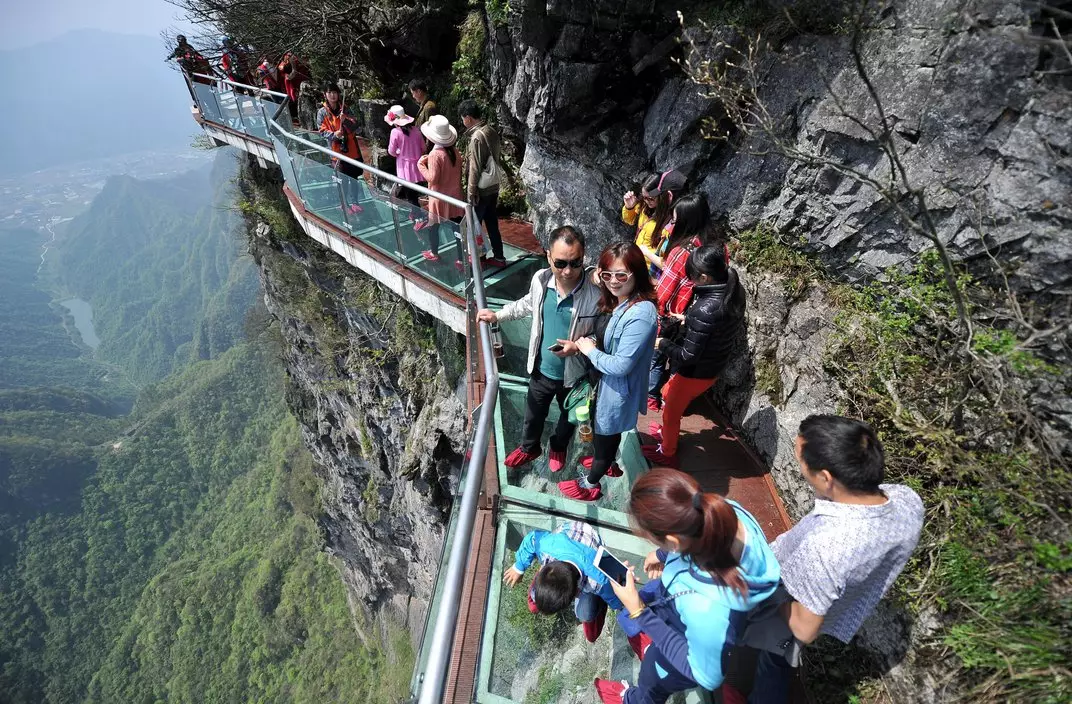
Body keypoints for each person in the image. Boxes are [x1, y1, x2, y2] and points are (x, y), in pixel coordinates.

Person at [744, 415, 924, 704]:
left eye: (800, 460)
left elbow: (804, 627)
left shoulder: (826, 548)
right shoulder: (907, 500)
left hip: (793, 596)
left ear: (826, 478)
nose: (799, 466)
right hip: (837, 594)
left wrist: (765, 601)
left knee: (775, 657)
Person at [591, 469, 780, 704]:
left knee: (651, 678)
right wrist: (661, 553)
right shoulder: (722, 512)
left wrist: (640, 612)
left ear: (674, 541)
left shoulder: (706, 608)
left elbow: (706, 676)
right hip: (685, 610)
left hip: (686, 642)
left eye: (653, 538)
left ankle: (632, 699)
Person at [476, 226, 600, 469]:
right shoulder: (541, 280)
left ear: (583, 258)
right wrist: (498, 316)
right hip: (542, 369)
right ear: (548, 256)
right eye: (561, 262)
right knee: (533, 415)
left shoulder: (594, 293)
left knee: (569, 417)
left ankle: (558, 447)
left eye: (575, 263)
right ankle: (529, 448)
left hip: (574, 375)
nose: (567, 271)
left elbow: (604, 332)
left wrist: (578, 346)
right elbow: (526, 304)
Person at [557, 243, 657, 502]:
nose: (613, 281)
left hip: (616, 390)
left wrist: (589, 351)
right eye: (607, 275)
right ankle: (608, 462)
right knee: (606, 436)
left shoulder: (642, 314)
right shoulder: (623, 302)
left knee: (604, 438)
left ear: (636, 274)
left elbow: (621, 365)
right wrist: (579, 346)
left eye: (621, 275)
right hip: (606, 385)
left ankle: (590, 484)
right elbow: (606, 342)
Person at [642, 244, 744, 467]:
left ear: (705, 277)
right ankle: (667, 432)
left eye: (693, 278)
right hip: (714, 367)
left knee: (670, 412)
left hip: (694, 373)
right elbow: (715, 326)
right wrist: (688, 320)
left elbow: (687, 356)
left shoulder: (704, 308)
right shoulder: (734, 291)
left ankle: (667, 452)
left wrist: (662, 344)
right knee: (668, 393)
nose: (691, 282)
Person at [646, 194, 715, 411]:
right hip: (700, 319)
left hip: (672, 317)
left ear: (686, 222)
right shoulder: (717, 249)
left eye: (675, 220)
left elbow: (664, 292)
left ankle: (651, 399)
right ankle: (673, 403)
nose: (671, 224)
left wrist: (653, 310)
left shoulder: (680, 252)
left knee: (656, 358)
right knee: (680, 364)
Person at [502, 520, 624, 642]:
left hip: (590, 553)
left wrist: (620, 605)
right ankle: (547, 580)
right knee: (535, 602)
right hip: (565, 541)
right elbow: (532, 539)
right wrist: (518, 567)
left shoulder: (598, 581)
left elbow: (616, 599)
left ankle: (598, 602)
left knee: (583, 614)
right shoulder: (547, 546)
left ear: (576, 592)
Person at [459, 99, 514, 267]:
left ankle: (479, 261)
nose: (463, 122)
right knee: (492, 223)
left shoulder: (476, 137)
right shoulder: (490, 130)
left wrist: (471, 192)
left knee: (474, 225)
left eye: (463, 118)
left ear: (468, 117)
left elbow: (475, 167)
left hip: (481, 190)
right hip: (493, 185)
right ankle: (499, 258)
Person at [417, 115, 465, 265]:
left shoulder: (435, 154)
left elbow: (433, 178)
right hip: (455, 196)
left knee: (433, 226)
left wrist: (421, 165)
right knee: (457, 229)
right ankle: (461, 258)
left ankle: (434, 252)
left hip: (439, 197)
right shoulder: (455, 152)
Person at [622, 170, 686, 275]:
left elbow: (665, 256)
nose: (646, 201)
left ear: (664, 196)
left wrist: (645, 252)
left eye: (650, 198)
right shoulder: (645, 205)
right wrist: (629, 207)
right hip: (635, 259)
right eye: (644, 197)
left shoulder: (671, 218)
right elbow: (629, 221)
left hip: (649, 268)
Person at [316, 84, 364, 215]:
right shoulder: (322, 112)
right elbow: (321, 130)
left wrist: (346, 120)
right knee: (341, 179)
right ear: (325, 94)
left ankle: (355, 202)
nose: (333, 95)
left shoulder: (346, 109)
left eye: (335, 92)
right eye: (329, 92)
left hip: (352, 150)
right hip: (336, 151)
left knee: (354, 178)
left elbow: (357, 126)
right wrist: (333, 135)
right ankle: (344, 204)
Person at [385, 105, 426, 214]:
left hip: (404, 168)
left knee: (411, 196)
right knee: (414, 193)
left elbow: (391, 151)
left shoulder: (395, 132)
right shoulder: (416, 130)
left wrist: (399, 152)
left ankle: (418, 217)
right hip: (417, 166)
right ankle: (416, 214)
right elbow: (424, 148)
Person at [277, 52, 308, 124]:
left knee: (294, 97)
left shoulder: (291, 58)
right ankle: (296, 117)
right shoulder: (291, 58)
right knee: (293, 97)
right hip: (294, 81)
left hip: (295, 80)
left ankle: (297, 116)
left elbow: (289, 70)